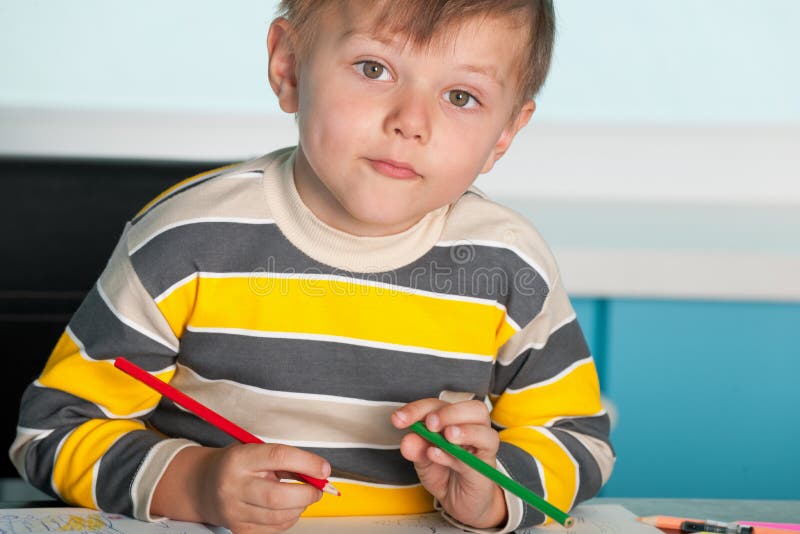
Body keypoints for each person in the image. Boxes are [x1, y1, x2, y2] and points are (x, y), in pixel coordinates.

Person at [10, 1, 614, 532]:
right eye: (374, 69)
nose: (412, 121)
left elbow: (576, 438)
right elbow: (52, 432)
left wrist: (494, 491)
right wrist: (195, 483)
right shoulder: (185, 240)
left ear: (506, 132)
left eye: (461, 96)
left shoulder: (509, 265)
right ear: (289, 66)